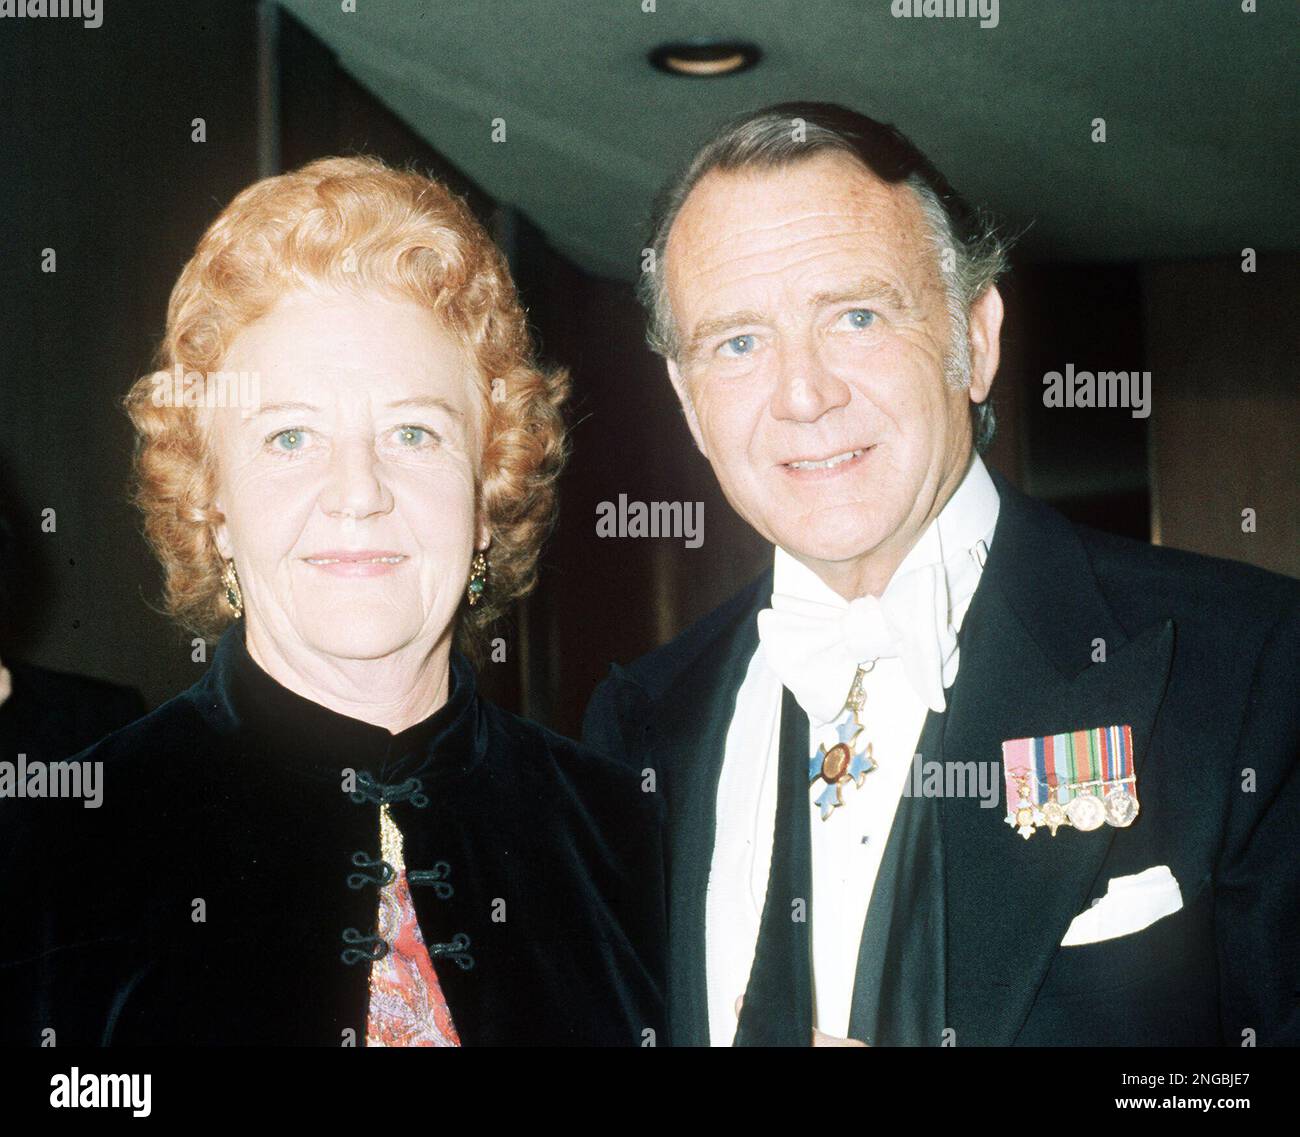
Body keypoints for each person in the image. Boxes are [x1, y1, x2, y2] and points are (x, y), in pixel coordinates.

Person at [583, 102, 1298, 1047]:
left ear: (977, 338)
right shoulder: (634, 730)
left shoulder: (1252, 667)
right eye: (739, 343)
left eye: (857, 315)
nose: (804, 395)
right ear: (686, 399)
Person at [0, 156, 663, 1046]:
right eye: (291, 435)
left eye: (413, 431)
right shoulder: (47, 868)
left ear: (487, 491)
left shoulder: (638, 846)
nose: (359, 492)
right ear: (213, 502)